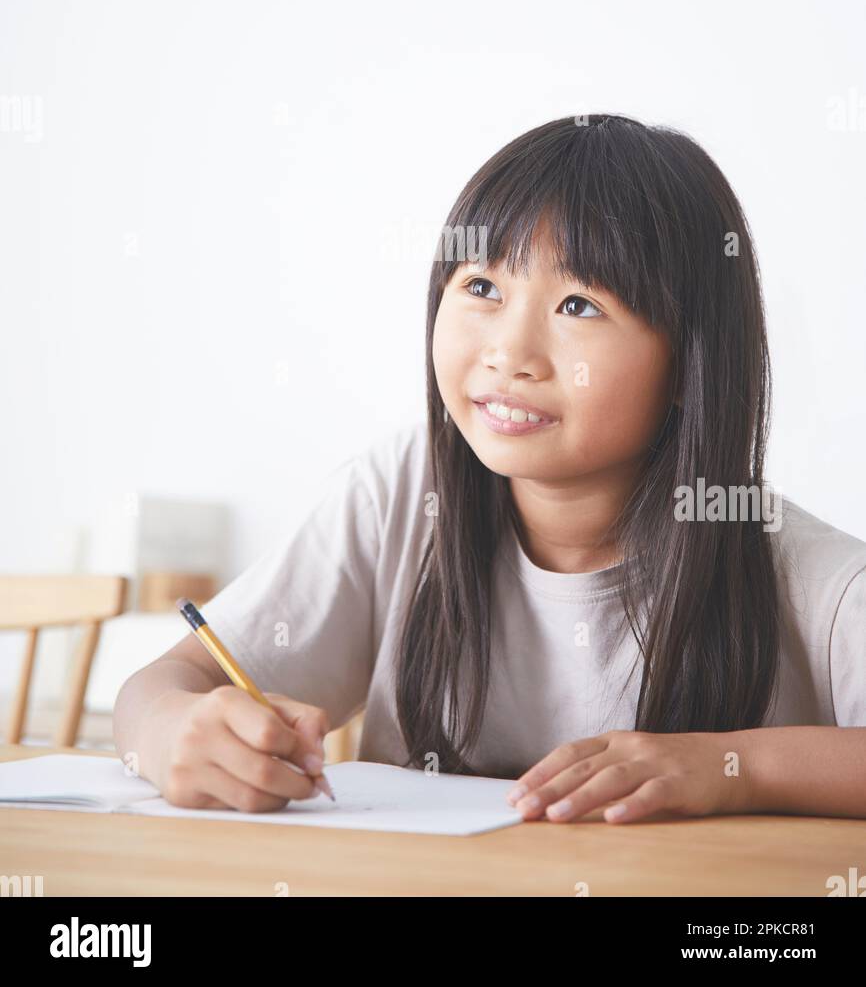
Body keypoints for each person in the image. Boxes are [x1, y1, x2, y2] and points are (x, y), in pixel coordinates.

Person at [113, 113, 866, 822]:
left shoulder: (802, 573)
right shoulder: (399, 497)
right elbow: (159, 687)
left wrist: (734, 768)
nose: (509, 353)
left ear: (688, 365)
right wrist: (171, 728)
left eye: (578, 305)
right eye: (481, 287)